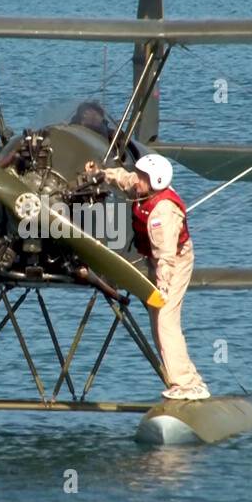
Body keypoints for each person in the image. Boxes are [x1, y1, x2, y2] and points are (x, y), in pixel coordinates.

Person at [84, 154, 210, 400]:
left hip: (174, 263)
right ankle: (188, 378)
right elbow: (123, 178)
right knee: (159, 324)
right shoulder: (143, 188)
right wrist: (100, 173)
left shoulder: (163, 214)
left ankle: (187, 385)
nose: (137, 180)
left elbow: (166, 258)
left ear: (154, 182)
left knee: (165, 321)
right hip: (153, 260)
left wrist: (163, 288)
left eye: (142, 177)